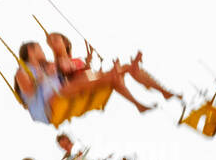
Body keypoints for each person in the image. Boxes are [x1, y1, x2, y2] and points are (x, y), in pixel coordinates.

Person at [45, 32, 178, 115]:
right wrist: (74, 66)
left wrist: (87, 62)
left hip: (92, 79)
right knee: (120, 72)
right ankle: (144, 96)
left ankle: (155, 95)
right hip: (82, 87)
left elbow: (84, 72)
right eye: (50, 42)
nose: (52, 43)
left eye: (55, 39)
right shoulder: (58, 62)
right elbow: (66, 73)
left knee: (122, 73)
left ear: (65, 42)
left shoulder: (74, 59)